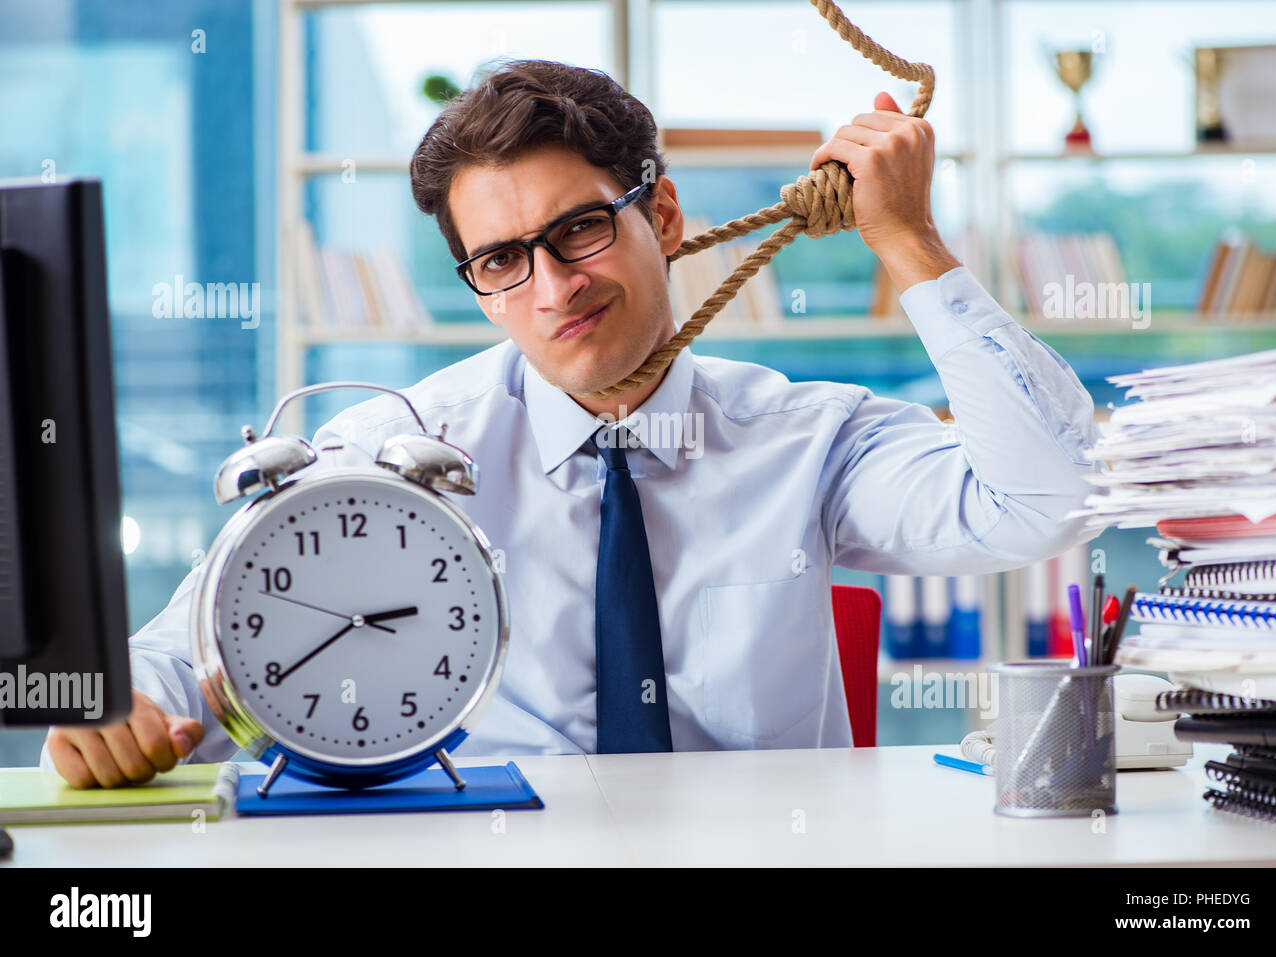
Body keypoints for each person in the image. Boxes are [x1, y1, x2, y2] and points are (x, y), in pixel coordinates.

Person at [44, 59, 1101, 788]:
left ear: (666, 219)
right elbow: (177, 656)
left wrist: (910, 240)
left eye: (580, 230)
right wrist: (123, 709)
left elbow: (1052, 498)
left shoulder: (805, 439)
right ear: (477, 284)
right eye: (503, 260)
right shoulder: (398, 451)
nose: (553, 287)